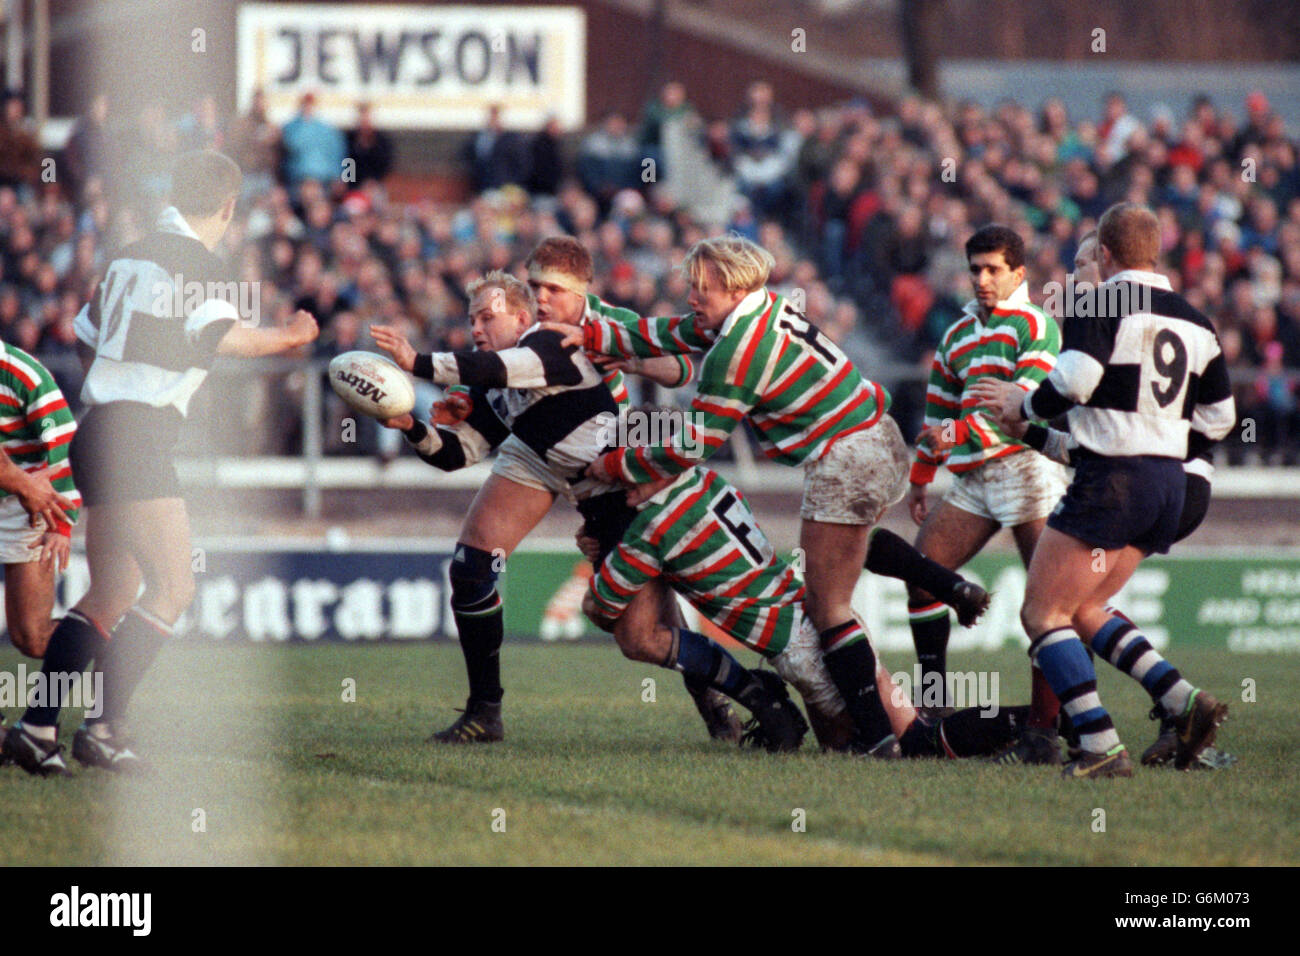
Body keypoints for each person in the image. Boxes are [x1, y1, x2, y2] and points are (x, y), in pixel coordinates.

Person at [573, 235, 989, 755]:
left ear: (735, 285)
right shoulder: (761, 309)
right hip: (875, 434)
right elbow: (670, 332)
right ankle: (943, 590)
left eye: (702, 287)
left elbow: (694, 443)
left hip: (847, 453)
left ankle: (880, 740)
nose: (692, 296)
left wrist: (614, 464)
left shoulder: (736, 351)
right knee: (838, 560)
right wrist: (600, 336)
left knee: (829, 604)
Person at [371, 271, 802, 748]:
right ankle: (484, 712)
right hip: (577, 480)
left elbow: (679, 370)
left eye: (486, 318)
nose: (475, 328)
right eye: (471, 319)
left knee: (659, 624)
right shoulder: (496, 378)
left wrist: (417, 362)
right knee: (490, 577)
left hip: (631, 478)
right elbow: (456, 454)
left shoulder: (561, 337)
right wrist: (411, 425)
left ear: (530, 312)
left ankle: (750, 701)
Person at [3, 150, 320, 776]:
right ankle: (102, 728)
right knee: (174, 586)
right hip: (138, 436)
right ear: (229, 207)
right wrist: (294, 335)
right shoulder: (199, 261)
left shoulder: (127, 254)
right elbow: (222, 337)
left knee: (114, 590)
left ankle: (38, 727)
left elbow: (86, 335)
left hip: (97, 429)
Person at [971, 203, 1236, 778]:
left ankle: (1098, 744)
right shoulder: (1196, 318)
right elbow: (1220, 419)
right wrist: (1156, 435)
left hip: (1114, 483)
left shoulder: (1102, 303)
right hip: (1170, 488)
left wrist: (1025, 405)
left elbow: (1075, 380)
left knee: (1043, 612)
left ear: (1107, 254)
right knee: (1086, 608)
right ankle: (1181, 700)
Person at [578, 465, 1027, 759]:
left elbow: (605, 608)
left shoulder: (652, 528)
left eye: (629, 467)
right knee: (839, 746)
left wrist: (598, 573)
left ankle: (1038, 722)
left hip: (804, 646)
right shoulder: (706, 480)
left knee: (914, 745)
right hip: (805, 613)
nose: (622, 479)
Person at [905, 224, 1068, 761]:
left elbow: (1021, 410)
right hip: (974, 476)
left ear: (1019, 274)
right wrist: (922, 475)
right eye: (975, 268)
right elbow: (937, 408)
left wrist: (951, 435)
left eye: (993, 268)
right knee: (923, 573)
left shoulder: (1037, 325)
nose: (982, 278)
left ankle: (1046, 729)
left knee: (1049, 604)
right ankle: (934, 706)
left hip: (1027, 468)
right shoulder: (956, 335)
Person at [0, 342, 81, 661]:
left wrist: (61, 524)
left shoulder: (23, 374)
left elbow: (65, 446)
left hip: (27, 509)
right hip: (22, 488)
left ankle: (110, 644)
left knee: (31, 638)